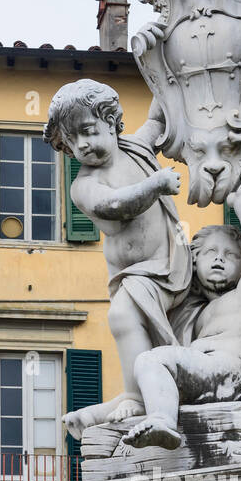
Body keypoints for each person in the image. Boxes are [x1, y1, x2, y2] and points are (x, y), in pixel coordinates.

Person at [46, 79, 190, 428]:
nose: (83, 144)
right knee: (123, 316)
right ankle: (136, 395)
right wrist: (155, 184)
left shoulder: (138, 148)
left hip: (174, 262)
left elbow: (158, 118)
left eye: (89, 130)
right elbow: (114, 206)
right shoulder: (83, 185)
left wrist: (164, 65)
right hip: (135, 273)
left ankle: (149, 393)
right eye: (72, 140)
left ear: (112, 122)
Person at [124, 171, 241, 450]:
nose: (219, 258)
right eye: (210, 252)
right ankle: (148, 416)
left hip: (228, 371)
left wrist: (240, 198)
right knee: (148, 363)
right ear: (194, 262)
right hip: (200, 377)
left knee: (150, 361)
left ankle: (163, 420)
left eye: (231, 254)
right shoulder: (192, 310)